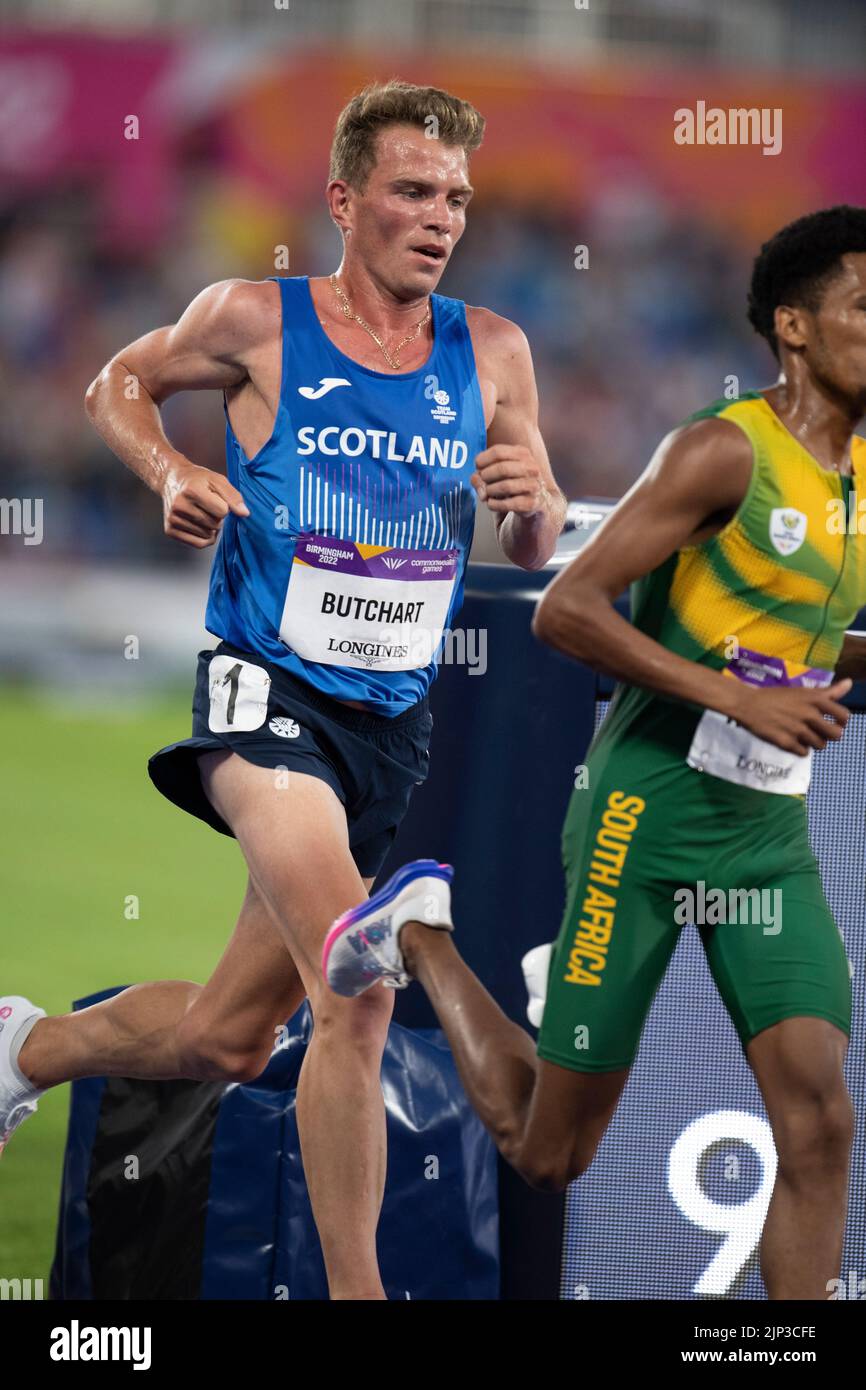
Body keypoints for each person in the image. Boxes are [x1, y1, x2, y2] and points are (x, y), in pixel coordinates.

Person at [0, 79, 565, 1301]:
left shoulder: (494, 351)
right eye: (413, 191)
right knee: (354, 991)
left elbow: (533, 538)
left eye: (456, 198)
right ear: (344, 199)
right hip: (266, 700)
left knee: (229, 1036)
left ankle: (24, 1048)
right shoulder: (255, 319)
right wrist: (164, 470)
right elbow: (117, 382)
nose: (440, 218)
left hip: (389, 729)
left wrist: (534, 511)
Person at [324, 205, 866, 1300]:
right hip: (647, 816)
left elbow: (810, 635)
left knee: (817, 1122)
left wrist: (800, 679)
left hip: (764, 838)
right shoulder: (723, 450)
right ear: (794, 327)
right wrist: (728, 694)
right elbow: (565, 609)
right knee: (546, 1151)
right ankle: (420, 936)